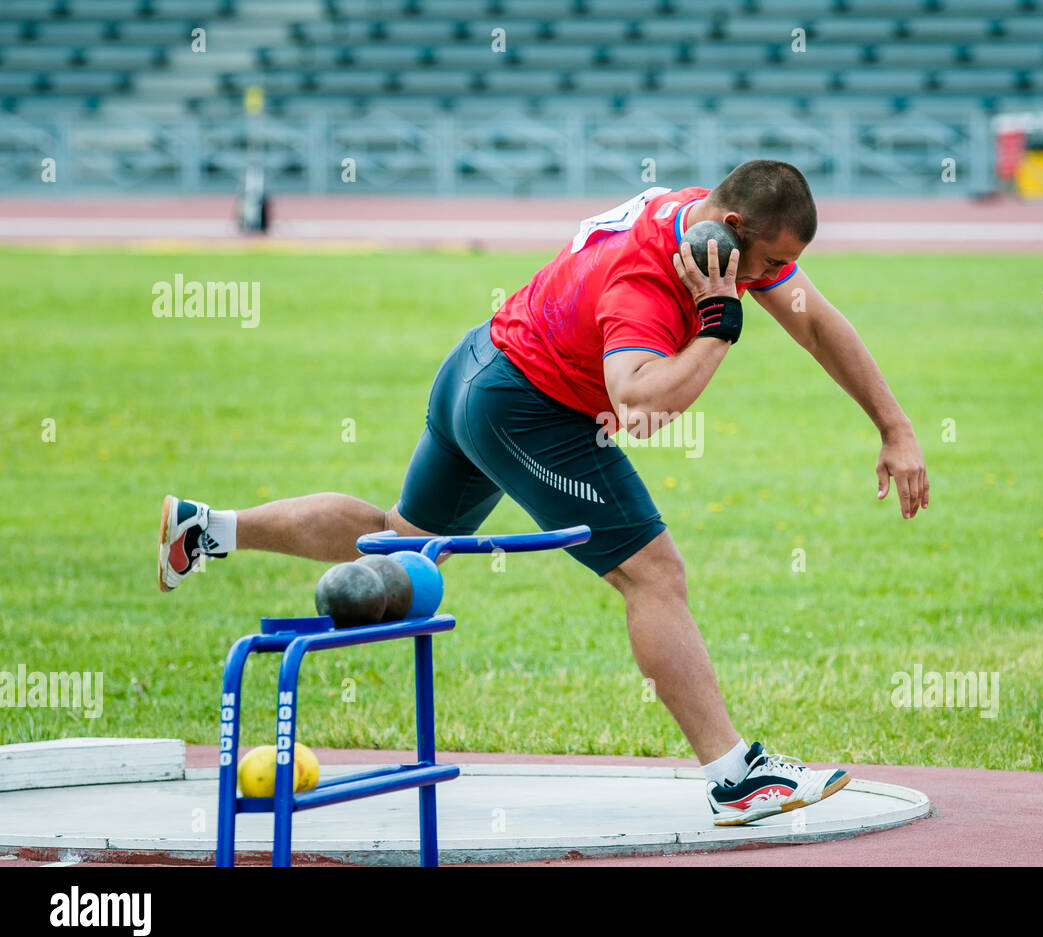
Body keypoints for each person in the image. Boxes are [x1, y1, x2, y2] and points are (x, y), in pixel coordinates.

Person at [158, 159, 930, 826]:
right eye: (764, 264)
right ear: (730, 225)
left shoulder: (700, 222)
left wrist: (894, 427)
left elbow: (817, 322)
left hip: (480, 360)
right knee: (653, 574)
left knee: (400, 533)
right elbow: (642, 405)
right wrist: (718, 327)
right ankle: (735, 778)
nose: (769, 282)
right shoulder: (651, 278)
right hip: (529, 407)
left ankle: (207, 529)